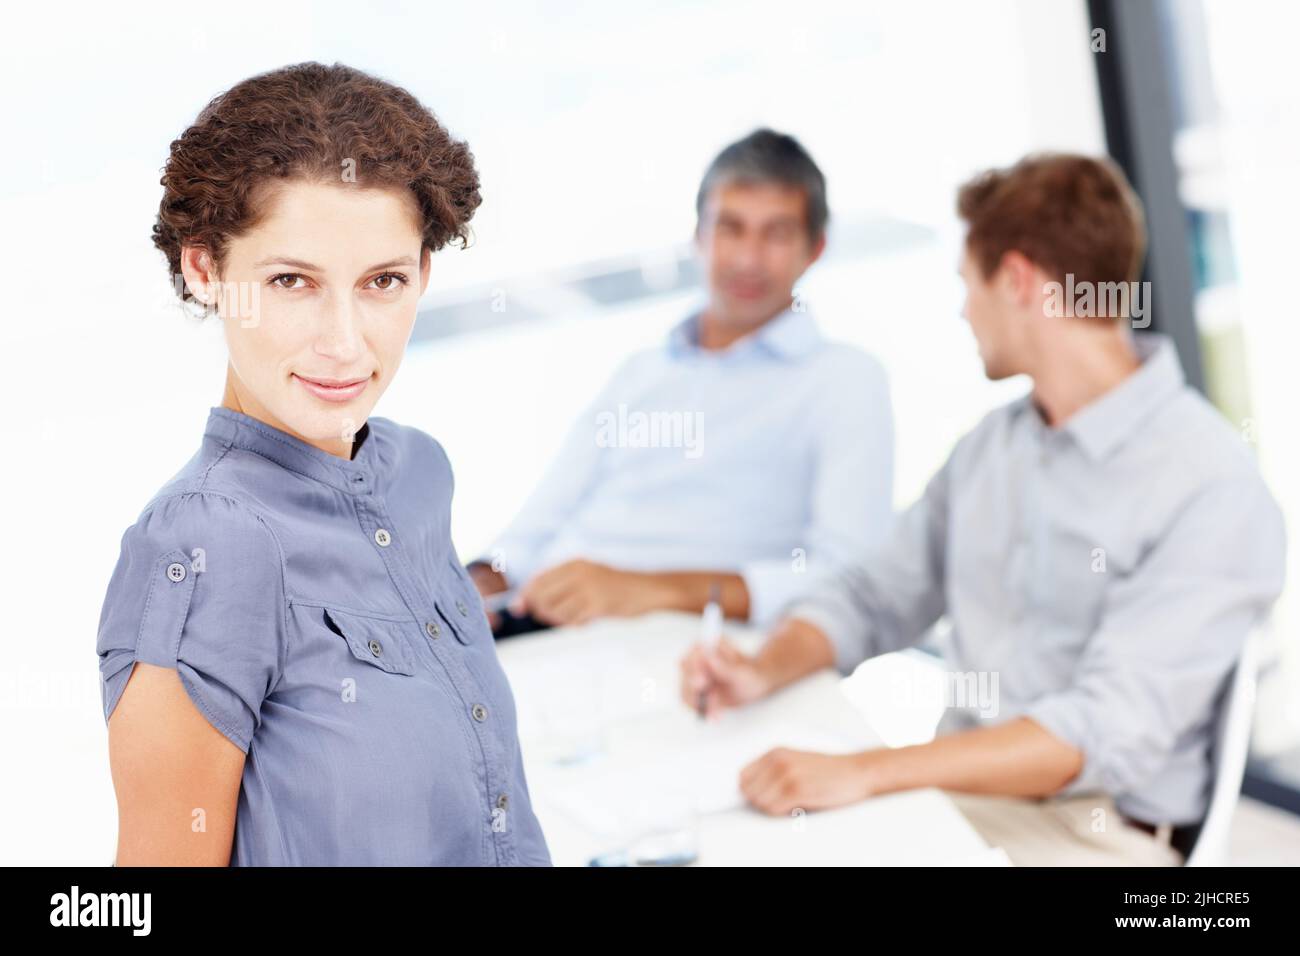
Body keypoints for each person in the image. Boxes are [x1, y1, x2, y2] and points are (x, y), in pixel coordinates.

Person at [679, 153, 1287, 866]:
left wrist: (866, 772)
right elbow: (871, 595)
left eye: (967, 282)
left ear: (1018, 281)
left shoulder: (1211, 486)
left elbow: (1093, 732)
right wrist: (762, 666)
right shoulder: (993, 449)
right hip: (958, 801)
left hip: (1090, 834)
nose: (963, 309)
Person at [95, 62, 551, 866]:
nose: (344, 343)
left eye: (382, 281)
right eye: (291, 282)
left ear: (424, 275)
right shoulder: (203, 543)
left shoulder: (416, 473)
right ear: (205, 271)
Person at [471, 129, 894, 635]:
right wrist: (466, 589)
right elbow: (523, 541)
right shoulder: (642, 371)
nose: (747, 259)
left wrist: (644, 589)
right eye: (730, 228)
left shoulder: (843, 380)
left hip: (672, 638)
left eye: (776, 233)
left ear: (815, 248)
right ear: (699, 235)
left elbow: (849, 576)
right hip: (532, 623)